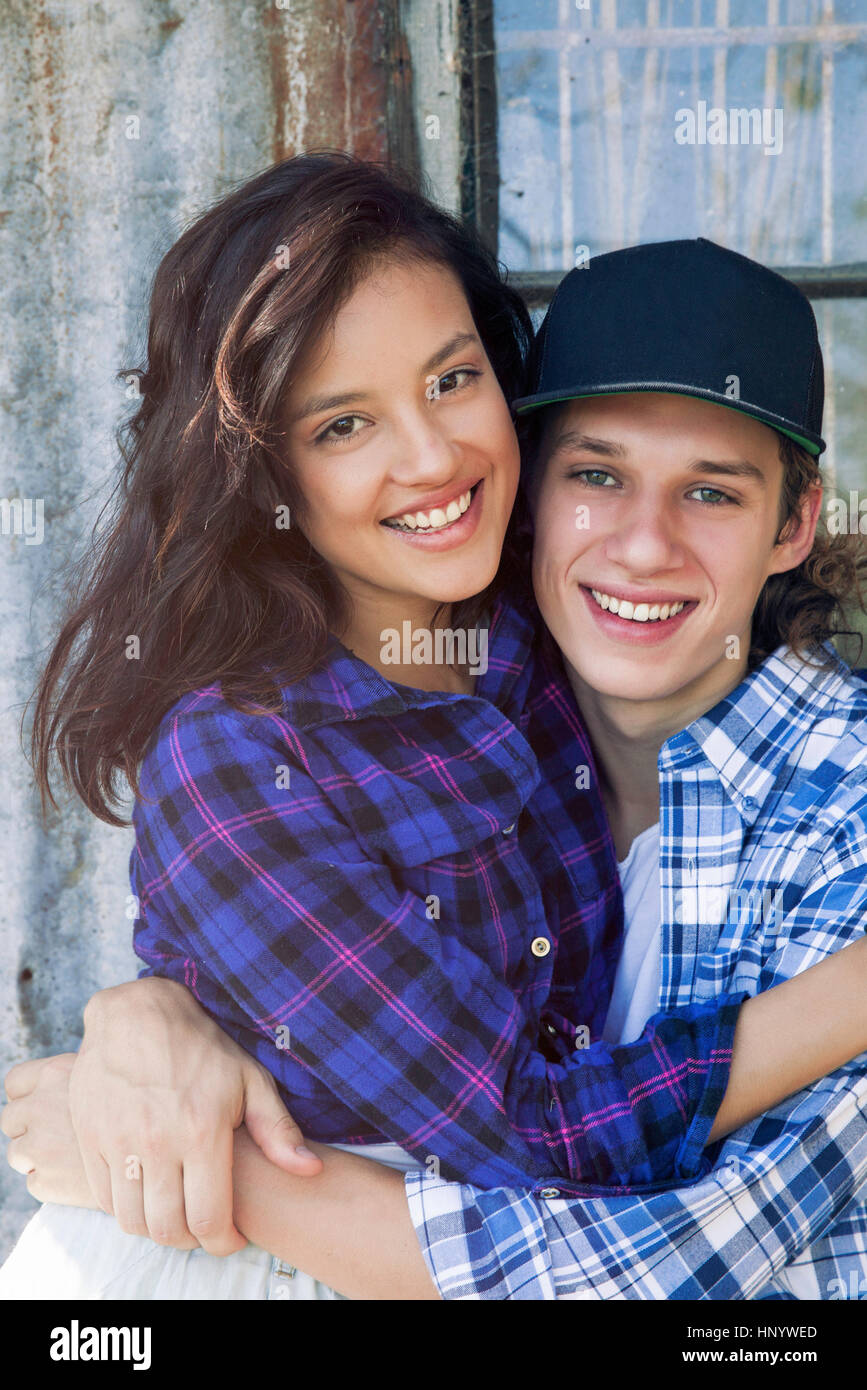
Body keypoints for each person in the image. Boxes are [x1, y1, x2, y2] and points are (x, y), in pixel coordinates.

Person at [3, 193, 867, 1300]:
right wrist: (147, 1015)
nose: (430, 457)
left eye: (453, 381)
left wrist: (203, 1112)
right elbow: (528, 1122)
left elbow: (667, 1274)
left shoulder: (523, 651)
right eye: (342, 424)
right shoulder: (247, 755)